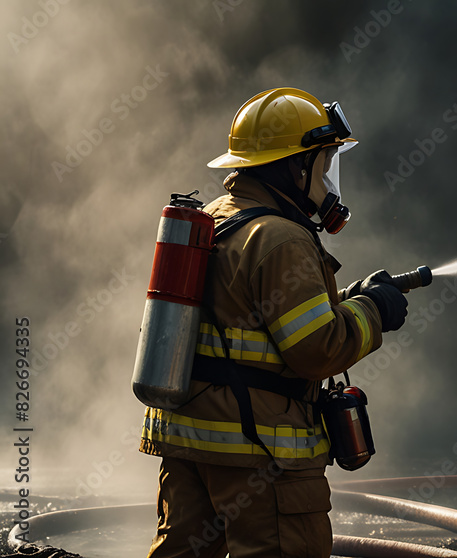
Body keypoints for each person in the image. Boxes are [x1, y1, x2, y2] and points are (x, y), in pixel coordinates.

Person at [139, 87, 408, 558]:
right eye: (322, 165)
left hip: (189, 445)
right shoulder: (281, 238)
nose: (326, 179)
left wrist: (348, 298)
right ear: (294, 167)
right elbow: (316, 350)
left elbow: (251, 322)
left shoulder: (217, 218)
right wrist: (375, 311)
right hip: (261, 454)